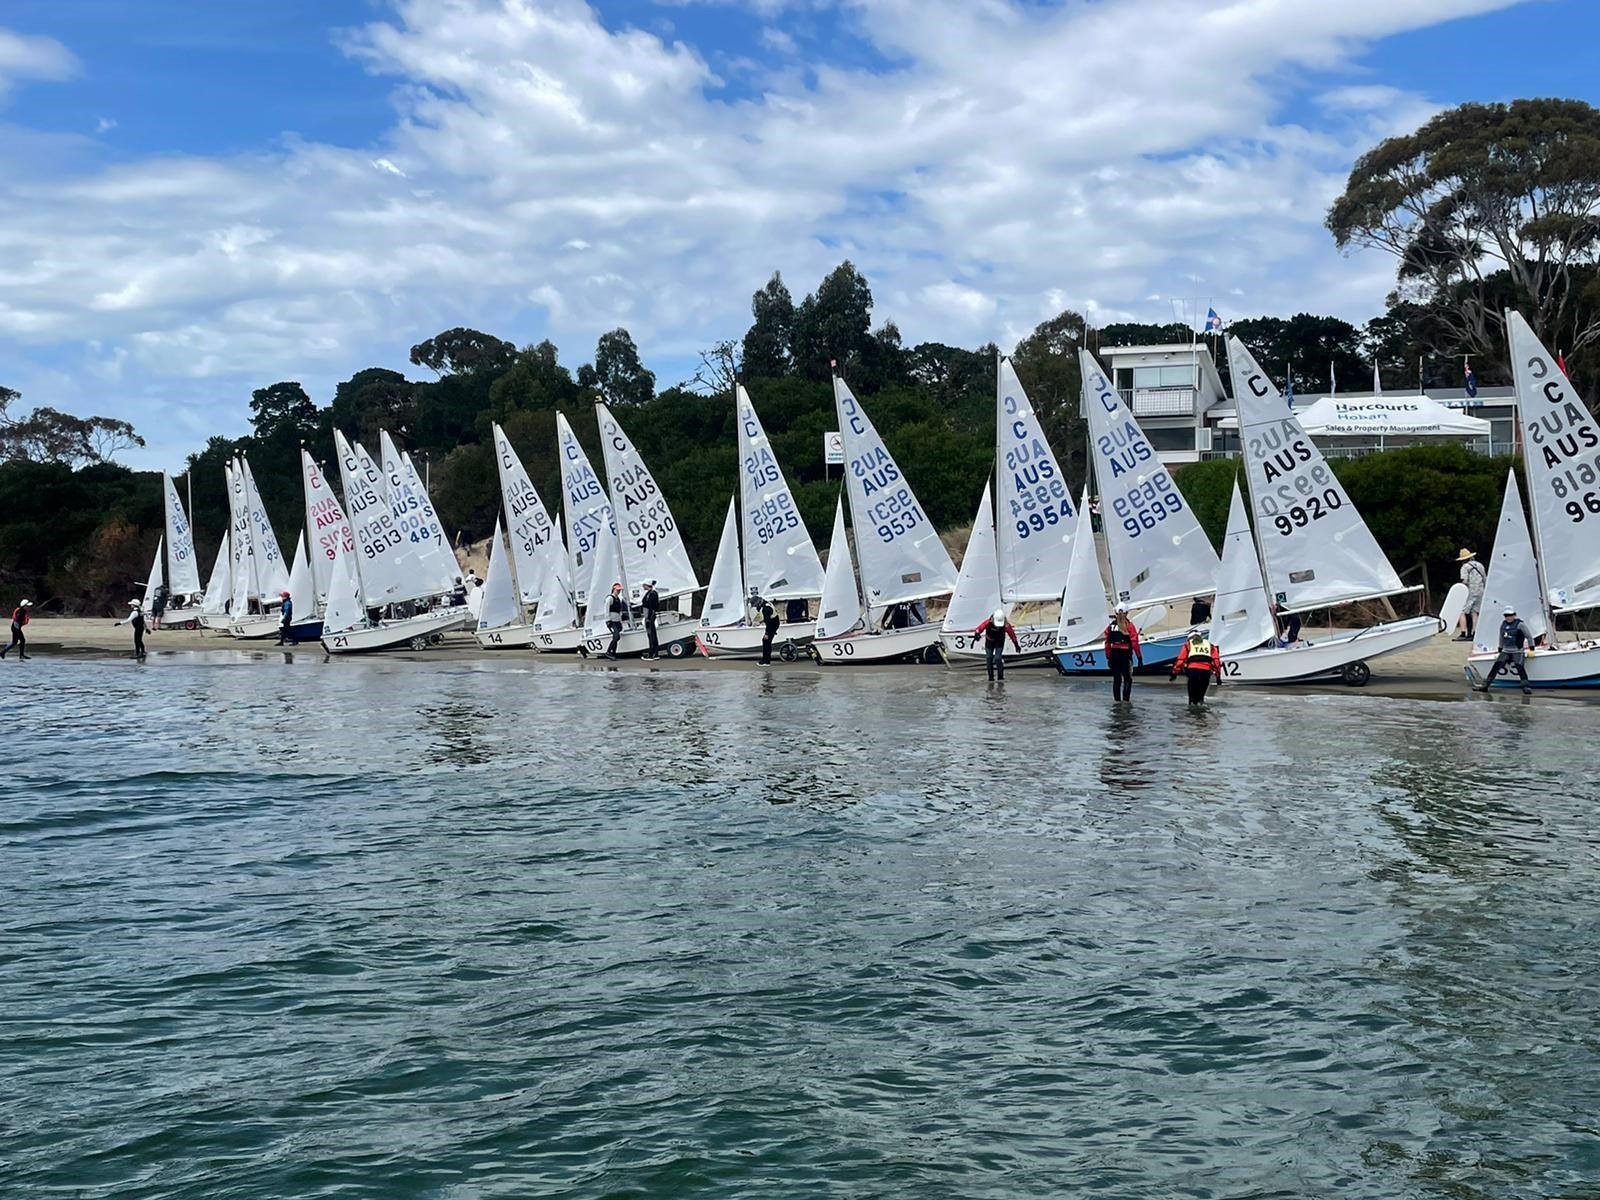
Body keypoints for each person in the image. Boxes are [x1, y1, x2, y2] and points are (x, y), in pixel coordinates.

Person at [1477, 605, 1534, 694]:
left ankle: (1525, 686)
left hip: (1517, 651)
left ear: (1514, 615)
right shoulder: (1503, 624)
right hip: (1506, 650)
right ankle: (1485, 685)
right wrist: (1500, 648)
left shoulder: (1520, 624)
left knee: (1520, 667)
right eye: (1506, 615)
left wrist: (1532, 649)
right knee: (1496, 666)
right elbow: (1501, 637)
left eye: (1510, 615)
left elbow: (1529, 636)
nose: (1508, 617)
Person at [1102, 604, 1143, 701]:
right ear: (1127, 613)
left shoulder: (1111, 626)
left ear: (1115, 613)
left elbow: (1107, 643)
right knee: (1127, 679)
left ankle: (1117, 703)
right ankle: (1126, 703)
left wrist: (1108, 657)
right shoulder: (1130, 626)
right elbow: (1134, 643)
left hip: (1114, 655)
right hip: (1125, 656)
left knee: (1117, 680)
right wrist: (1139, 657)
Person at [1171, 628, 1222, 705]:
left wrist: (1174, 673)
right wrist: (1218, 677)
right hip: (1205, 673)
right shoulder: (1210, 645)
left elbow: (1180, 660)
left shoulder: (1188, 645)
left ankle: (1191, 714)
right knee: (1200, 699)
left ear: (1189, 638)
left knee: (1192, 700)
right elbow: (1216, 661)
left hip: (1192, 672)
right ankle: (1202, 714)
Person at [973, 606, 1020, 681]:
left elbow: (1012, 634)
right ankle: (990, 678)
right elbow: (979, 629)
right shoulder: (988, 622)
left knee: (998, 658)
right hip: (989, 642)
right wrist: (977, 634)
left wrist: (1016, 645)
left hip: (999, 642)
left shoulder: (1006, 625)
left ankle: (1000, 678)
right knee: (989, 658)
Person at [1455, 548, 1486, 641]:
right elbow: (1484, 578)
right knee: (1474, 612)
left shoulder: (1464, 567)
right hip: (1480, 590)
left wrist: (1460, 589)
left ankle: (1463, 633)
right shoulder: (1480, 565)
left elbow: (1465, 581)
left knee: (1462, 611)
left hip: (1470, 591)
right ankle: (1474, 632)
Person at [755, 595, 782, 664]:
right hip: (775, 622)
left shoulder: (765, 609)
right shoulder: (766, 603)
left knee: (766, 641)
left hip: (772, 625)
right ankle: (765, 659)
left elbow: (768, 622)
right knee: (766, 641)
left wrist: (767, 633)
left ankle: (766, 661)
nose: (755, 607)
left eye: (755, 605)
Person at [605, 581, 628, 659]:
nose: (618, 591)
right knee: (616, 636)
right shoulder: (610, 598)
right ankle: (608, 652)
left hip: (617, 620)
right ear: (613, 589)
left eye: (619, 590)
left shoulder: (618, 599)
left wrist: (620, 620)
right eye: (617, 590)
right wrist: (608, 620)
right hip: (612, 621)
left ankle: (613, 653)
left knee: (616, 637)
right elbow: (606, 609)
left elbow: (620, 611)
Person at [640, 579, 661, 659]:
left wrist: (649, 618)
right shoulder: (651, 593)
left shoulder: (652, 594)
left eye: (644, 585)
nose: (643, 587)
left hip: (650, 616)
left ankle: (652, 654)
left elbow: (652, 607)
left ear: (647, 585)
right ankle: (654, 653)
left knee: (651, 634)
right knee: (651, 634)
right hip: (649, 616)